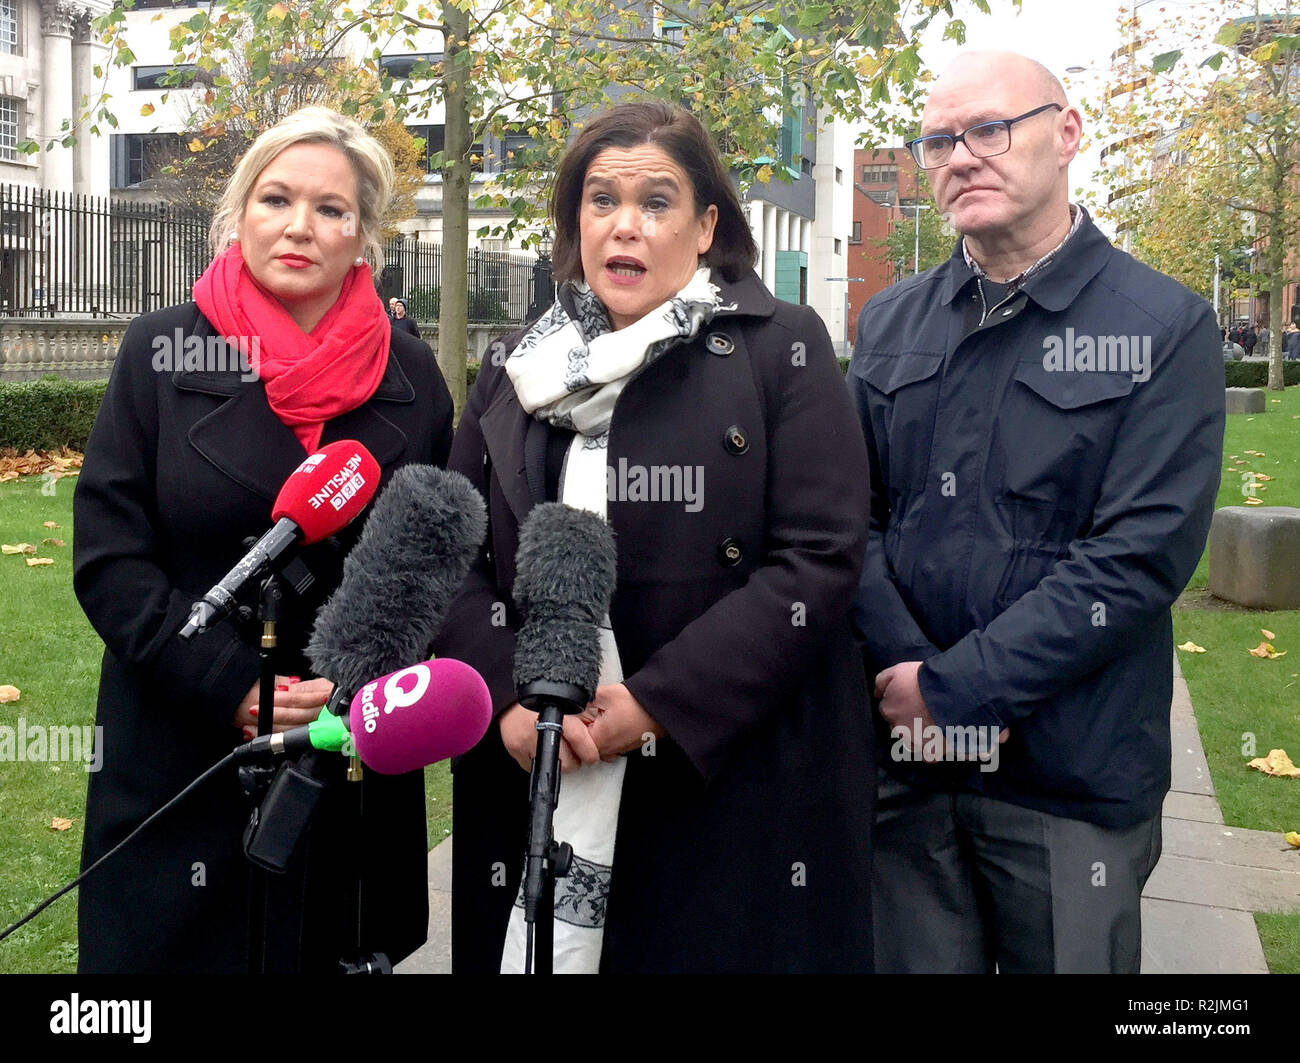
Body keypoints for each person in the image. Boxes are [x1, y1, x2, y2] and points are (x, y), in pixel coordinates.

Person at [438, 100, 876, 973]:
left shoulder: (780, 348)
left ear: (708, 224)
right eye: (600, 200)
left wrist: (656, 706)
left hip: (723, 772)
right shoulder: (518, 364)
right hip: (541, 759)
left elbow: (819, 558)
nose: (623, 225)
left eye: (656, 201)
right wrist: (509, 693)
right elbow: (451, 552)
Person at [849, 51, 1223, 974]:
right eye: (940, 138)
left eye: (989, 129)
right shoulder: (889, 322)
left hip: (1066, 781)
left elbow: (1138, 555)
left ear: (1067, 134)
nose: (961, 155)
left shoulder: (1161, 324)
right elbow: (845, 519)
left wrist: (954, 691)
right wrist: (906, 671)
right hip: (907, 774)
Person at [73, 106, 454, 973]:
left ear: (364, 236)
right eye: (276, 198)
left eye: (331, 209)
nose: (299, 226)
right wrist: (231, 684)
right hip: (182, 750)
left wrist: (363, 682)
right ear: (238, 214)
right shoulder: (161, 352)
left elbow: (439, 556)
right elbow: (109, 559)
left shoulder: (411, 374)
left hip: (347, 763)